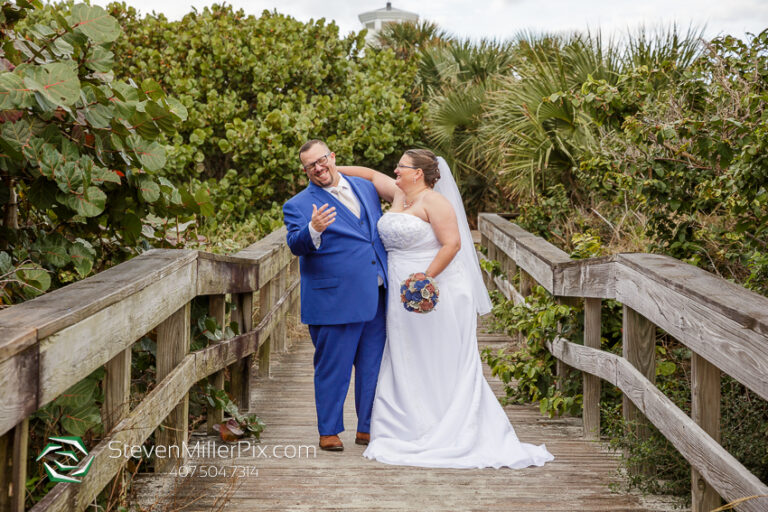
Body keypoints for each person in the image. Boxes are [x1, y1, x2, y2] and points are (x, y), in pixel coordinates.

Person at [339, 149, 554, 468]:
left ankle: (447, 424)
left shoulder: (435, 202)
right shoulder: (400, 195)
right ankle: (411, 424)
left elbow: (452, 244)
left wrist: (423, 281)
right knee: (406, 354)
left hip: (432, 288)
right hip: (401, 291)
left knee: (437, 355)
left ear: (418, 173)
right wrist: (331, 165)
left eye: (401, 166)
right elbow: (369, 174)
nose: (395, 170)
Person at [283, 140, 388, 451]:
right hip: (333, 300)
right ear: (305, 171)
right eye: (310, 166)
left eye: (321, 160)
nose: (318, 168)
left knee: (372, 366)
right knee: (333, 368)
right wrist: (312, 229)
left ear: (333, 158)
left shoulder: (365, 188)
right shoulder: (298, 205)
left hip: (375, 293)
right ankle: (329, 430)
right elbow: (295, 244)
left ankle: (367, 427)